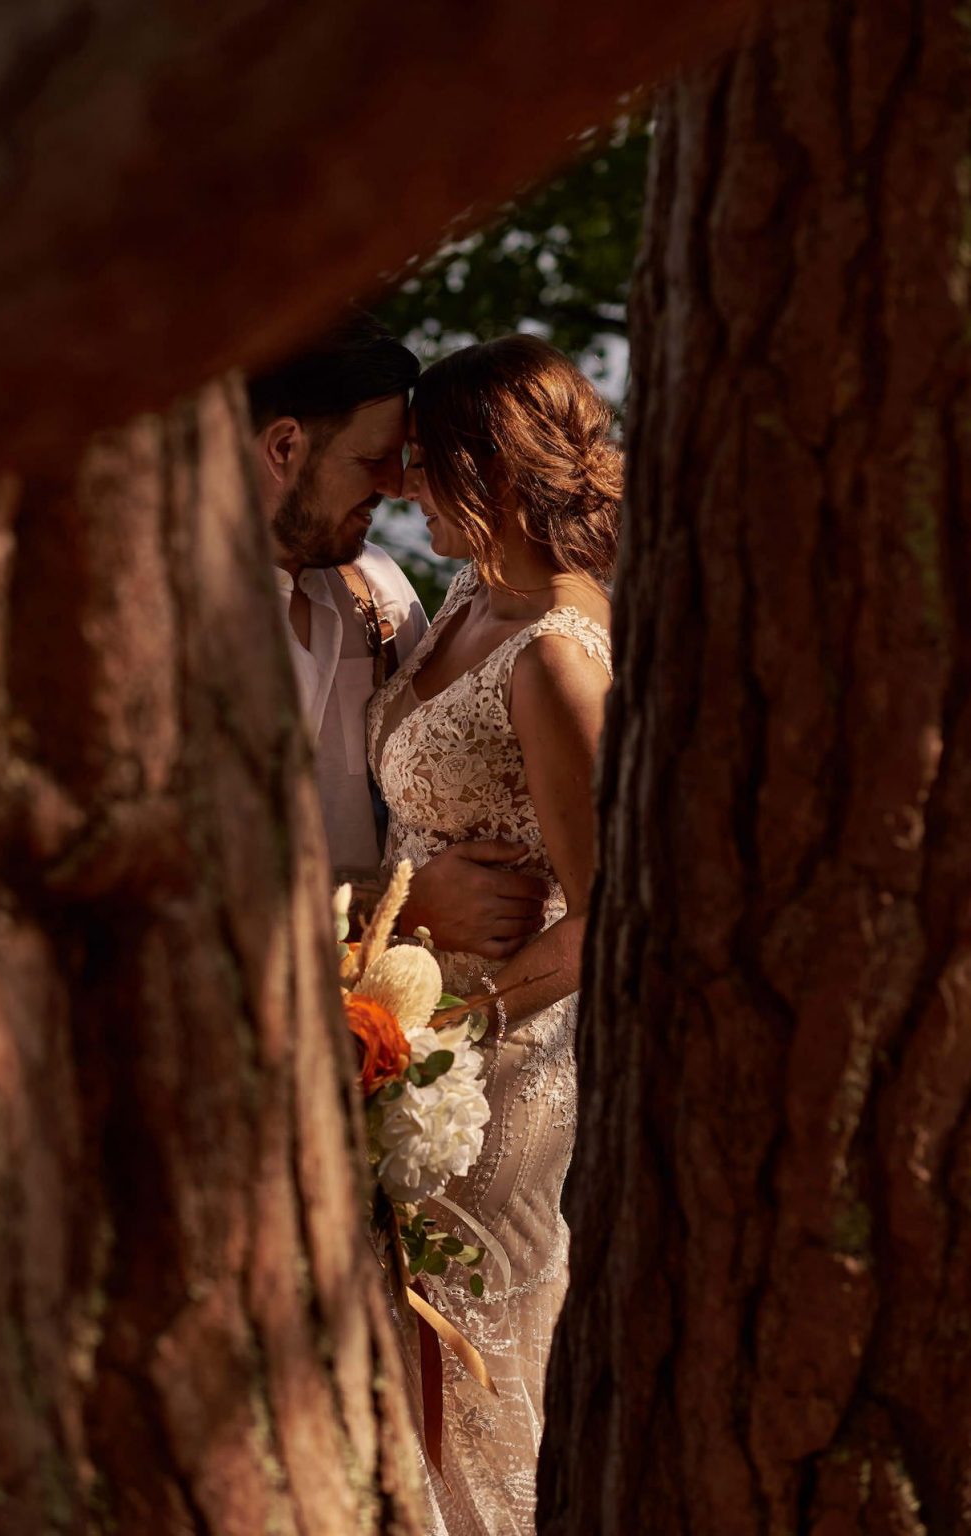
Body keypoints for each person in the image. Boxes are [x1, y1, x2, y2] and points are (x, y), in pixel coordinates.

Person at [367, 333, 622, 1534]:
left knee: (480, 1370)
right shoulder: (470, 592)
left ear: (494, 467)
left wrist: (452, 1040)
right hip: (413, 1034)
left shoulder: (560, 657)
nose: (406, 488)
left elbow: (608, 915)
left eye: (426, 465)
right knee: (408, 1375)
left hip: (503, 1068)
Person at [247, 311, 548, 955]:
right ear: (283, 448)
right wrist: (396, 909)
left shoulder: (377, 590)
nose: (397, 485)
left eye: (402, 459)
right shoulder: (162, 626)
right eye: (373, 459)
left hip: (402, 1032)